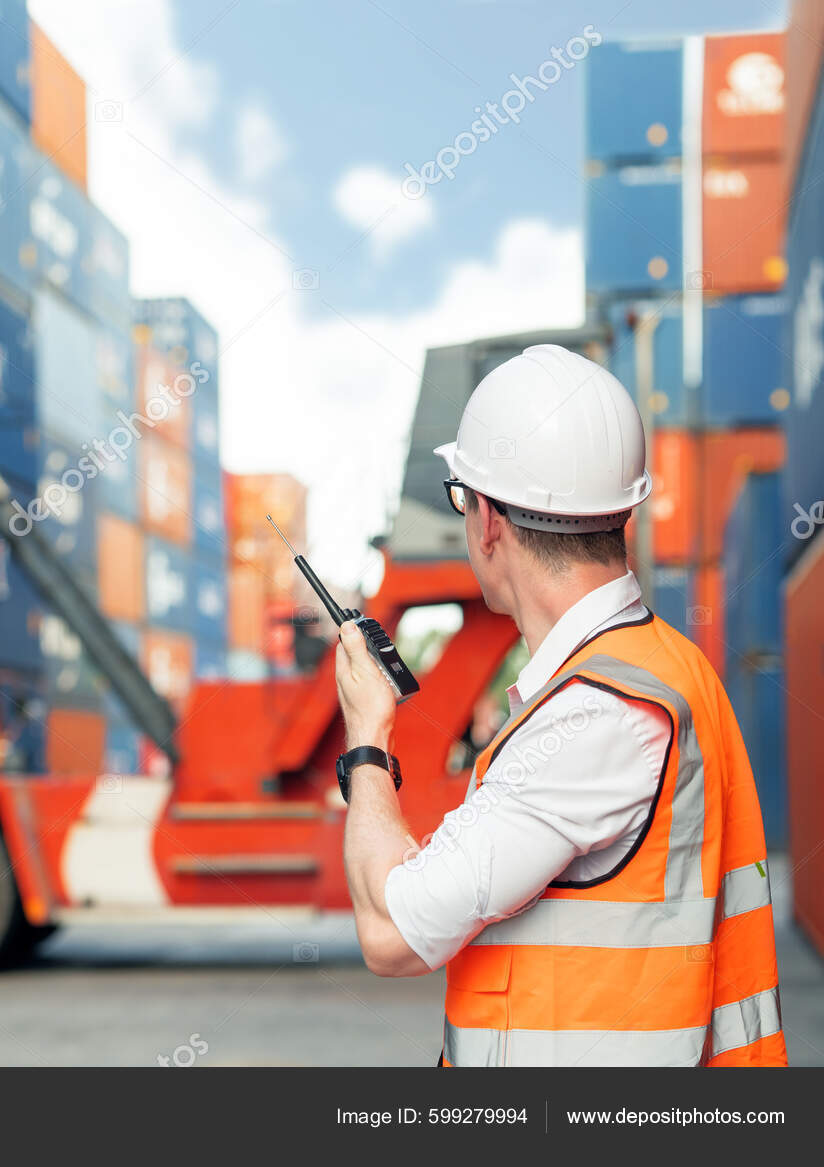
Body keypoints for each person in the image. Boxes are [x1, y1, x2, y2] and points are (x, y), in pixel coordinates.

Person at [333, 344, 786, 1067]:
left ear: (485, 522)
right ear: (620, 513)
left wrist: (366, 737)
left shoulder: (597, 712)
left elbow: (391, 932)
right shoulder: (668, 665)